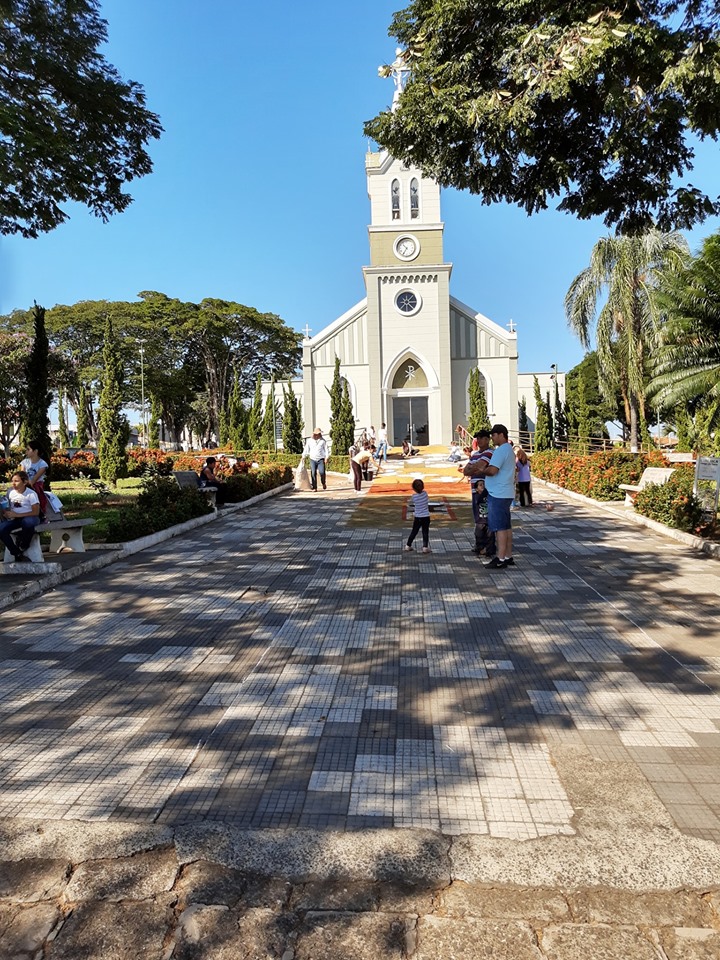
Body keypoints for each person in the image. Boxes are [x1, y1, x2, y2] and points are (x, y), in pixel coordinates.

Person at [474, 423, 517, 569]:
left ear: (500, 434)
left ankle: (500, 558)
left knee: (499, 528)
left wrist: (482, 469)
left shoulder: (500, 451)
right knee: (506, 526)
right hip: (506, 492)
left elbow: (493, 471)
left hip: (497, 493)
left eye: (493, 435)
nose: (492, 438)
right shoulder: (509, 450)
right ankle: (508, 556)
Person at [463, 430, 496, 558]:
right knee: (478, 518)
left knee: (484, 520)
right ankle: (479, 545)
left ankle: (488, 547)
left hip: (484, 492)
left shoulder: (490, 452)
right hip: (475, 492)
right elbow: (466, 471)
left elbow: (481, 466)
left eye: (482, 438)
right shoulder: (475, 454)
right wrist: (474, 469)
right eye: (478, 438)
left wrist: (474, 468)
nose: (479, 440)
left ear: (488, 439)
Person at [0, 471, 41, 563]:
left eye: (16, 481)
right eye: (12, 481)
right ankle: (16, 552)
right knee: (1, 529)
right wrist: (6, 512)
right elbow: (6, 506)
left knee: (28, 523)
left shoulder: (31, 494)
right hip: (15, 519)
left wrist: (17, 514)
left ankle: (24, 544)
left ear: (25, 482)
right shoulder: (10, 492)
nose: (13, 484)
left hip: (30, 517)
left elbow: (36, 512)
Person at [20, 440, 49, 514]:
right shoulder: (24, 462)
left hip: (36, 486)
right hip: (25, 484)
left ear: (35, 451)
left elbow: (34, 480)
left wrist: (28, 484)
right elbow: (22, 476)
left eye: (28, 449)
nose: (26, 451)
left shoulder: (42, 464)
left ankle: (40, 514)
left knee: (36, 494)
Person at [404, 478, 431, 553]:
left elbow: (410, 504)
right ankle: (425, 547)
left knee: (414, 531)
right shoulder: (425, 494)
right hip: (426, 516)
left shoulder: (414, 496)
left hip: (418, 517)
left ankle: (408, 545)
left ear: (413, 488)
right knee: (425, 532)